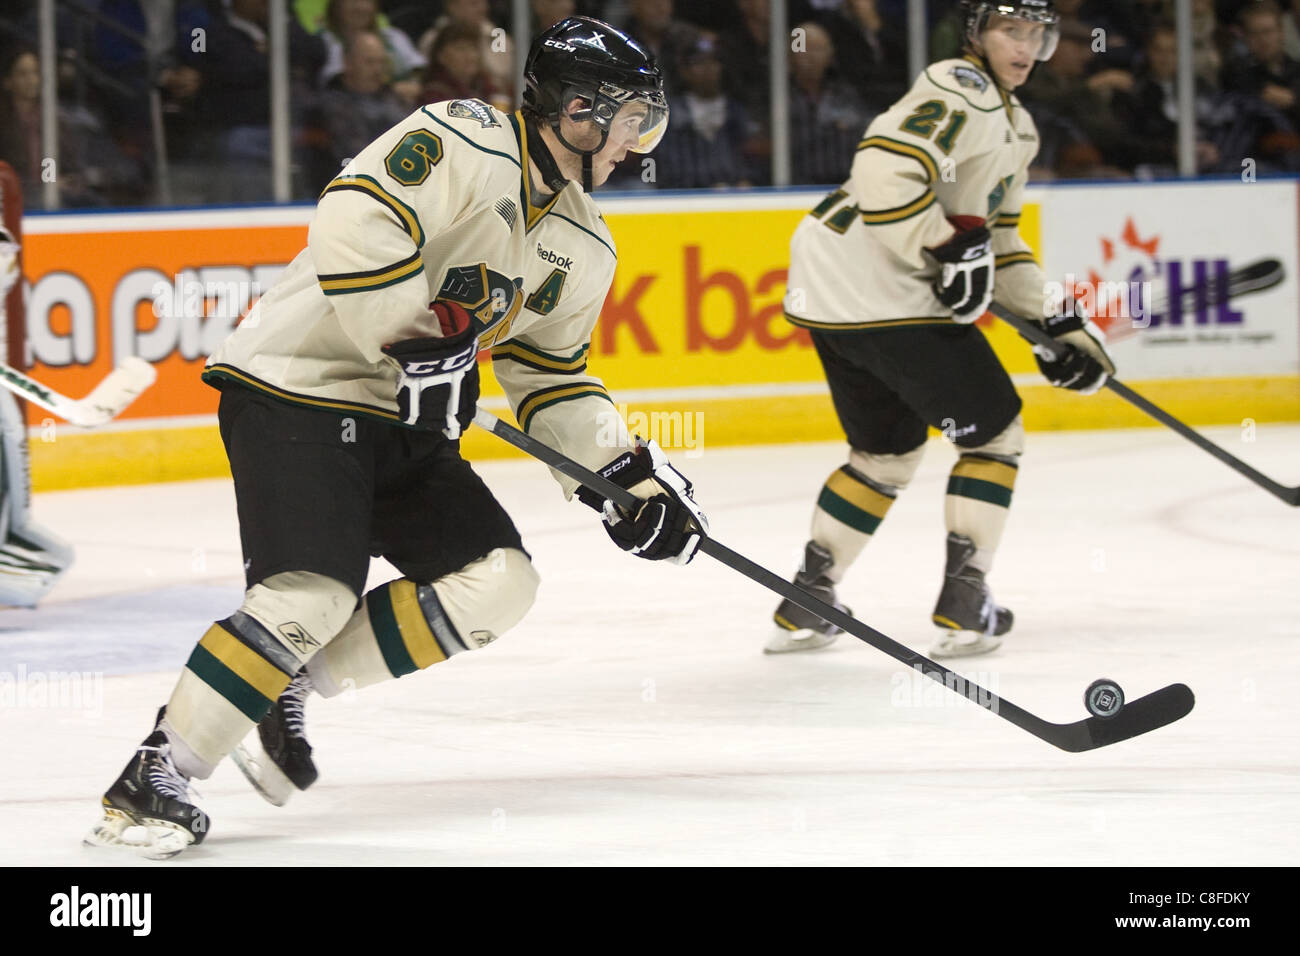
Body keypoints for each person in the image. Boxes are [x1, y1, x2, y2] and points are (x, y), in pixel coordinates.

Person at [85, 16, 704, 859]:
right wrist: (411, 334)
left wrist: (629, 482)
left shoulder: (585, 245)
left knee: (499, 583)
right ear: (576, 111)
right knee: (312, 593)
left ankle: (285, 680)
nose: (639, 140)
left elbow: (552, 380)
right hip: (300, 385)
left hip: (404, 419)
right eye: (630, 118)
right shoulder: (467, 138)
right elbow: (354, 219)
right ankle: (156, 775)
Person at [770, 0, 1114, 658]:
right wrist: (942, 245)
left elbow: (1003, 243)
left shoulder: (1015, 125)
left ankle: (809, 596)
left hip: (830, 289)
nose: (1024, 44)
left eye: (1036, 34)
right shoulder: (966, 90)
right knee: (995, 436)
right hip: (884, 285)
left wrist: (1060, 327)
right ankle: (965, 596)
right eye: (1010, 30)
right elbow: (882, 169)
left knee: (884, 456)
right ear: (977, 34)